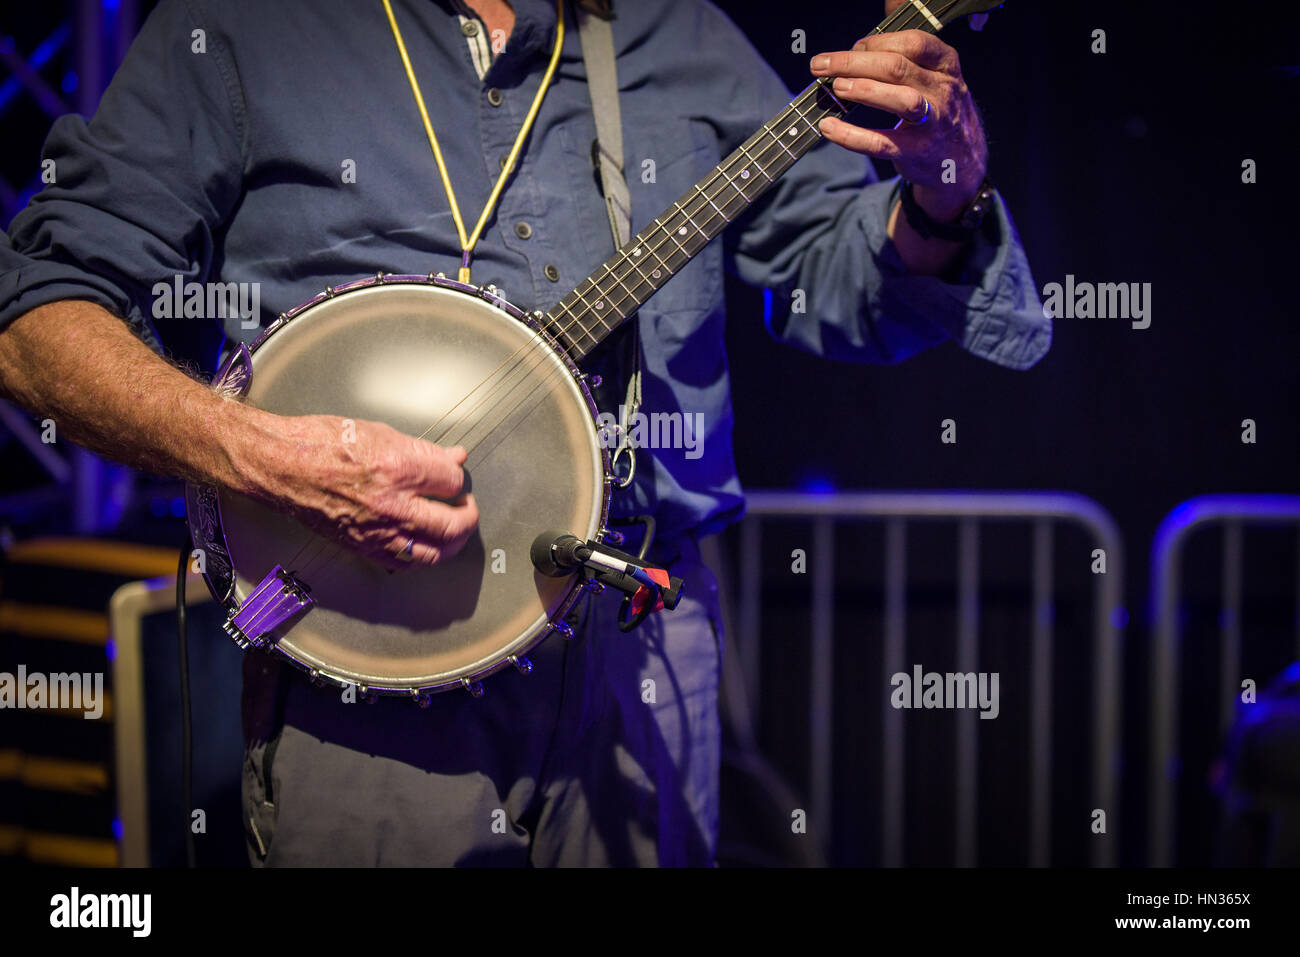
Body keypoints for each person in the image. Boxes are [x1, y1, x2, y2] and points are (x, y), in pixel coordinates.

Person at [0, 0, 1049, 865]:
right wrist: (259, 455)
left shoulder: (676, 34)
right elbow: (36, 316)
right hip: (368, 658)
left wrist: (945, 189)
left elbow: (844, 284)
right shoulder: (244, 28)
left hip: (640, 632)